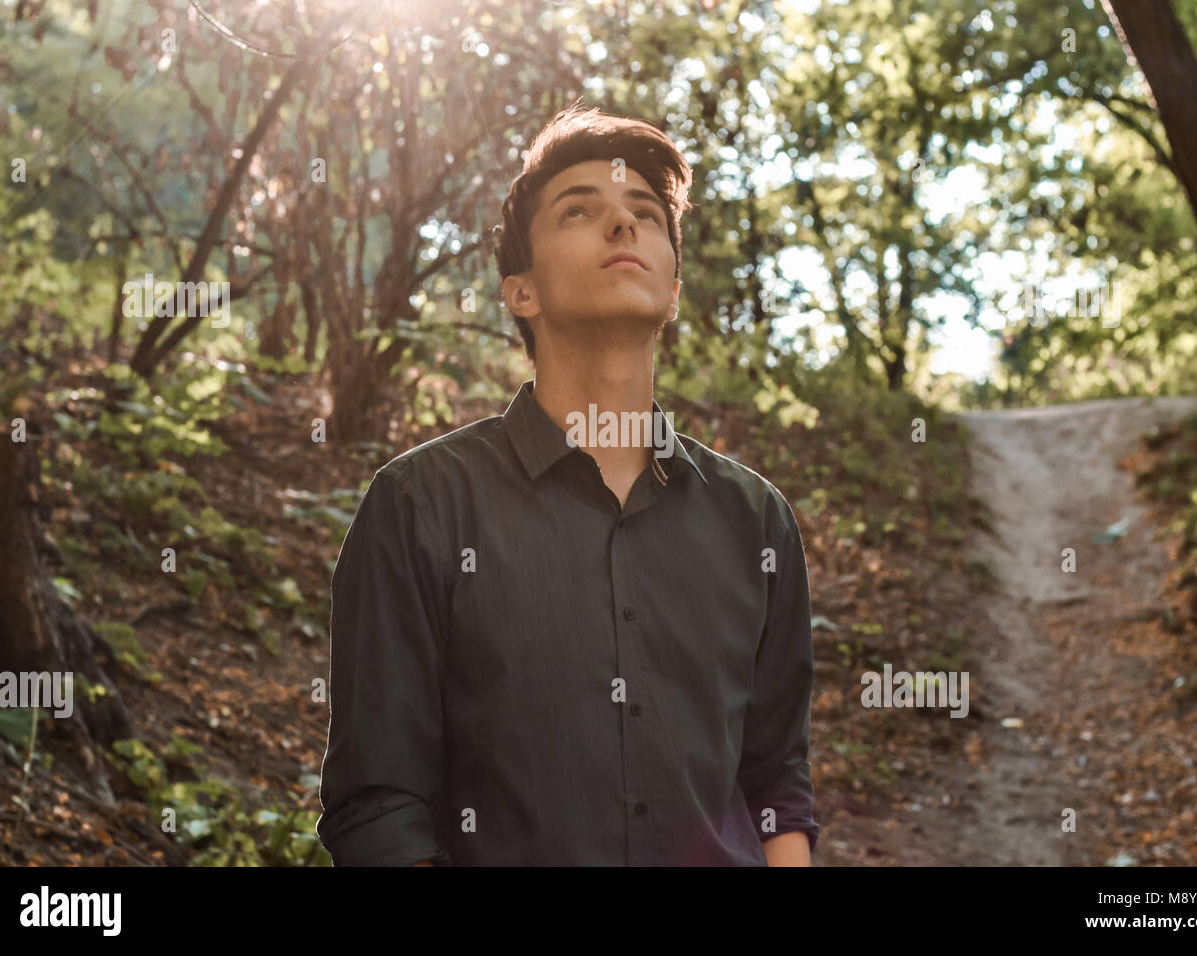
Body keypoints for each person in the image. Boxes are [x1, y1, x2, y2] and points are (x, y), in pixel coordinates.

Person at [316, 103, 819, 866]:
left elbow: (776, 779)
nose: (623, 227)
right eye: (580, 211)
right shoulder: (420, 508)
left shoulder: (756, 521)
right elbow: (380, 807)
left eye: (645, 214)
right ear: (522, 291)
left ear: (675, 290)